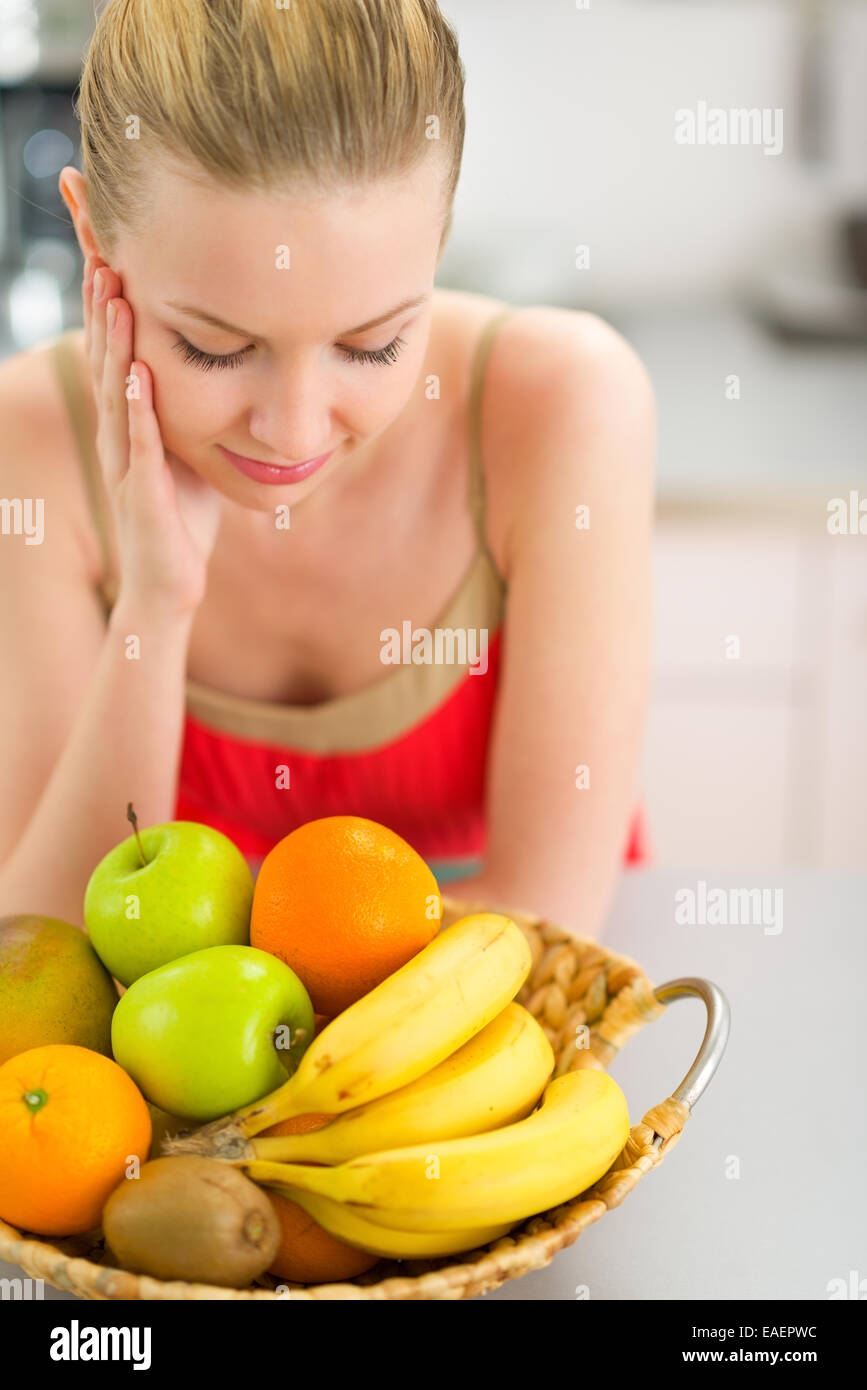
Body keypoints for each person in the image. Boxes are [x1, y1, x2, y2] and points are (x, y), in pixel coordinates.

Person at [0, 0, 655, 939]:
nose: (292, 431)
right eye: (216, 349)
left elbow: (540, 930)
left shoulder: (566, 404)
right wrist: (156, 602)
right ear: (94, 239)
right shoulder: (32, 441)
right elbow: (40, 960)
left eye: (375, 344)